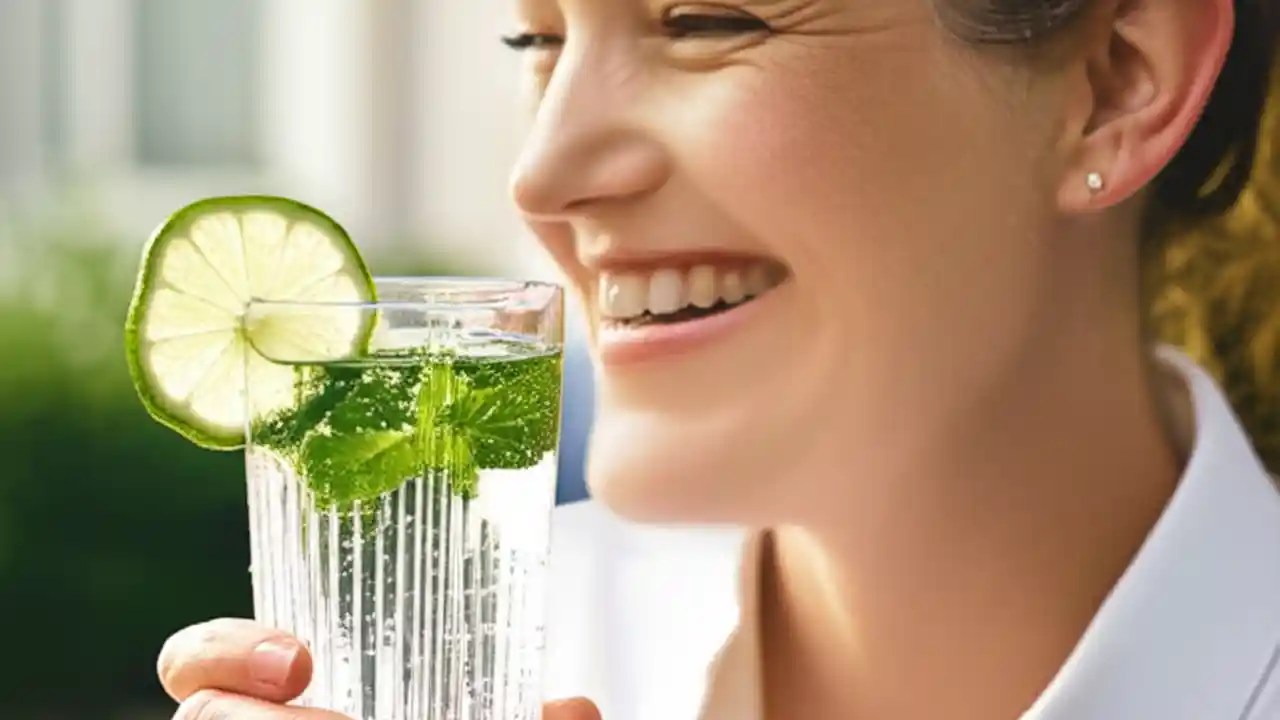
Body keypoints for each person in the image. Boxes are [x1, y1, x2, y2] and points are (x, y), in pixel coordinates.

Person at [155, 0, 1280, 718]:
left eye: (705, 20)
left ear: (1115, 81)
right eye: (538, 41)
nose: (541, 177)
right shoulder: (453, 666)